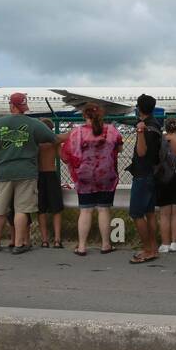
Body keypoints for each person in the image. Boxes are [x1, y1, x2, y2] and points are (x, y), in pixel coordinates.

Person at [0, 92, 58, 255]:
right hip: (26, 172)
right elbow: (53, 138)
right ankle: (19, 244)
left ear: (11, 105)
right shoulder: (34, 124)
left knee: (0, 209)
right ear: (23, 106)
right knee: (22, 209)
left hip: (3, 172)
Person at [63, 102, 123, 256]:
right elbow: (119, 148)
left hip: (84, 177)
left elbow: (66, 155)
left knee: (85, 211)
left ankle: (82, 246)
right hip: (106, 176)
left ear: (84, 115)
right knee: (103, 209)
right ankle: (105, 245)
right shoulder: (111, 131)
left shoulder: (77, 133)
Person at [126, 94, 163, 264]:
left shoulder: (146, 127)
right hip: (152, 174)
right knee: (150, 213)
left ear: (139, 108)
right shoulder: (156, 124)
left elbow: (141, 152)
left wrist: (140, 132)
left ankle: (147, 250)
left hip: (142, 174)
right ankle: (153, 248)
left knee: (136, 213)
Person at [35, 118, 70, 248]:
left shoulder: (35, 142)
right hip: (51, 174)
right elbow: (64, 159)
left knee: (41, 209)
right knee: (56, 209)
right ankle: (57, 239)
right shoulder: (54, 141)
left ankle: (44, 240)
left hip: (38, 175)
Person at [156, 117, 176, 253]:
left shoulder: (161, 140)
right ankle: (175, 242)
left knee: (164, 214)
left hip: (162, 177)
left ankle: (165, 244)